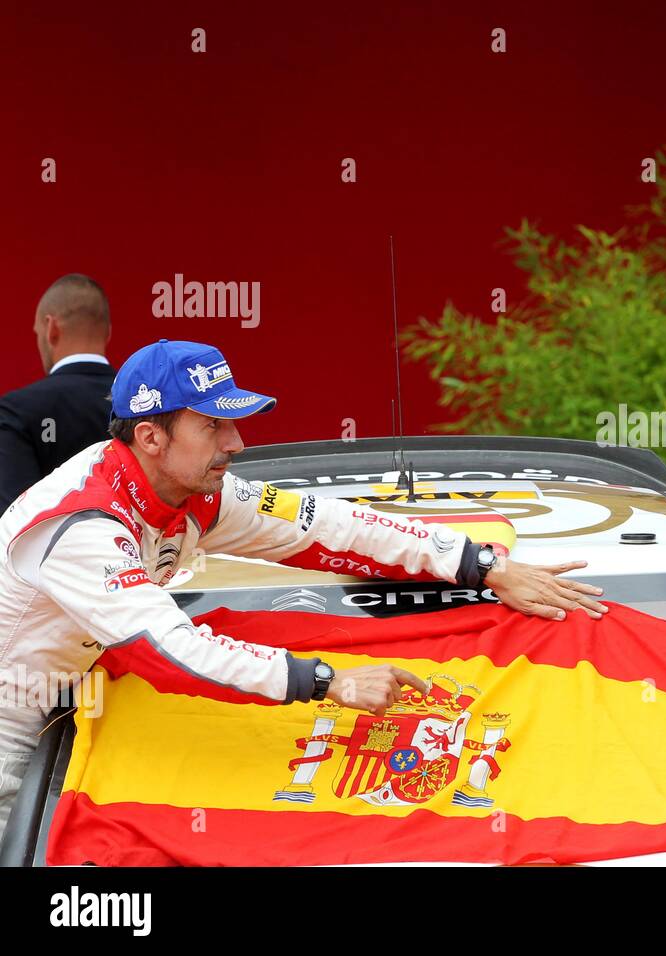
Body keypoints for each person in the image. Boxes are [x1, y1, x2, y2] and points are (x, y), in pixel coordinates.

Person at [0, 339, 608, 836]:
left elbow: (329, 524)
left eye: (234, 423)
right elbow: (172, 651)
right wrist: (331, 681)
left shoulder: (195, 492)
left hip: (76, 711)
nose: (236, 444)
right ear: (151, 438)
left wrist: (480, 564)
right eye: (213, 425)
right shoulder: (81, 525)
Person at [0, 275, 115, 511]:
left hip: (51, 545)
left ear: (51, 328)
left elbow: (12, 515)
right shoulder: (147, 404)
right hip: (138, 545)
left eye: (37, 333)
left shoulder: (17, 410)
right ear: (108, 333)